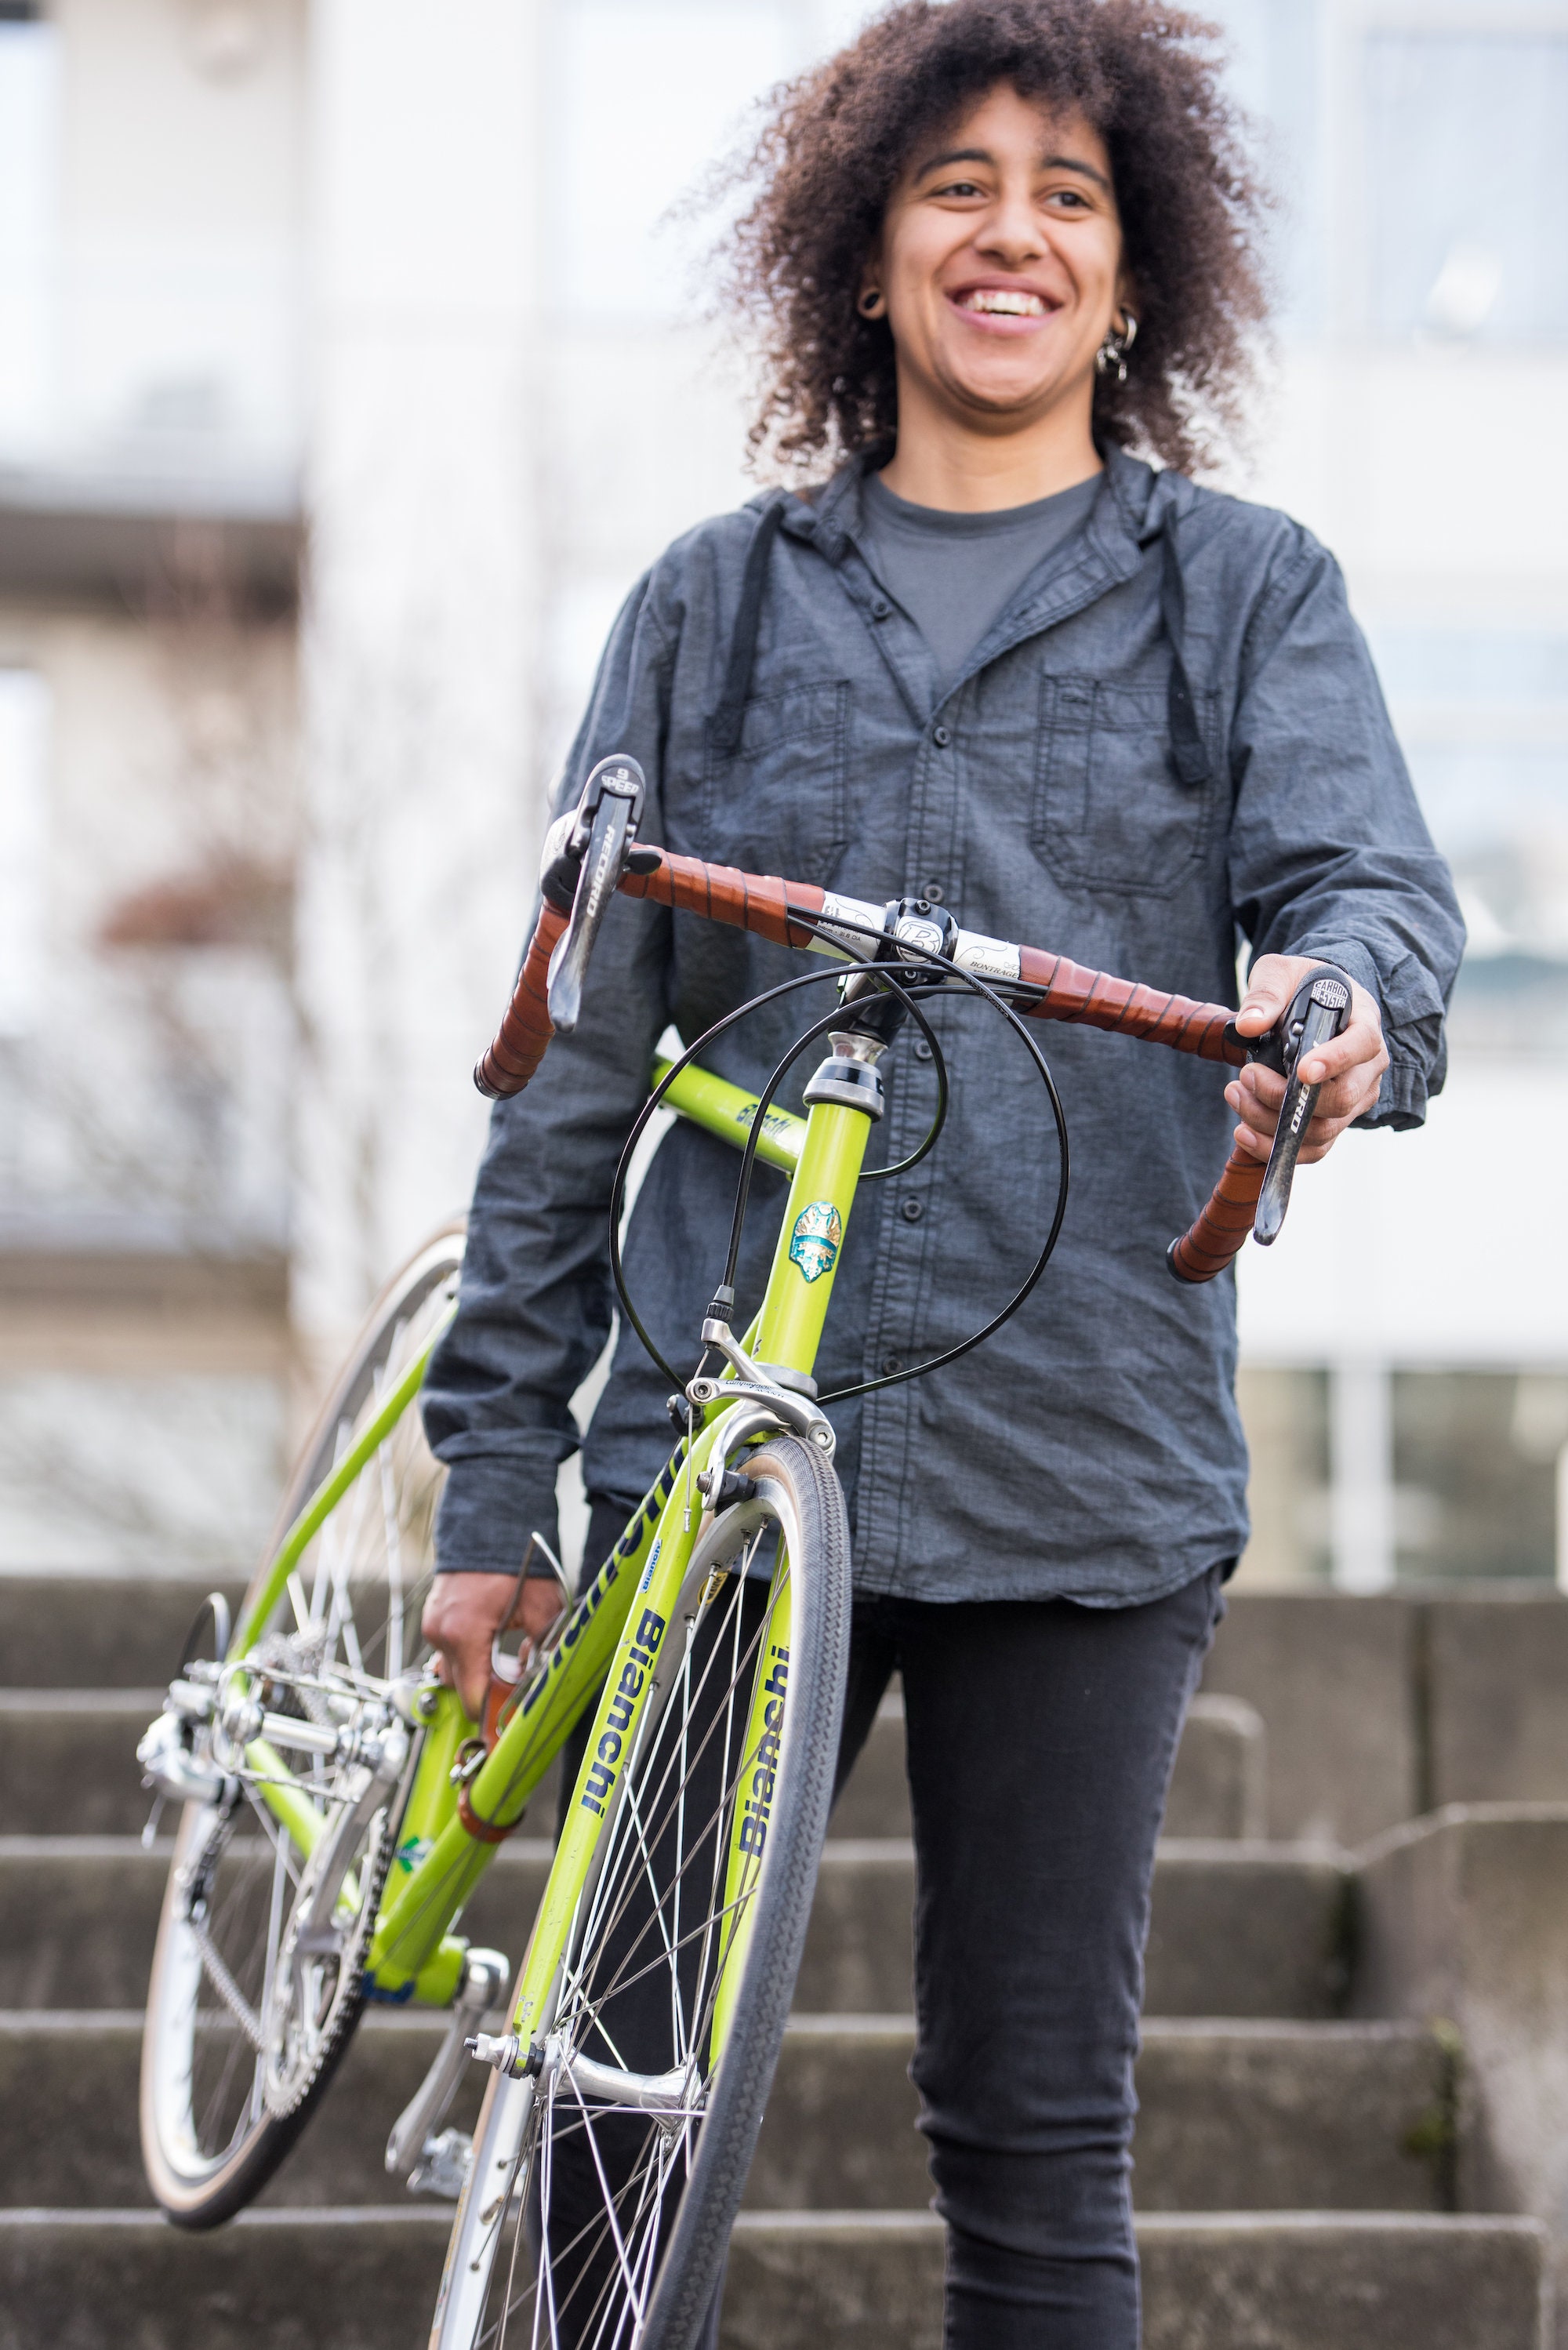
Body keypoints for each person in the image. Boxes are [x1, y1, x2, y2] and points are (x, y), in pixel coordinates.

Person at [419, 2, 1464, 2341]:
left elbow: (1367, 894)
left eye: (1067, 197)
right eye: (958, 189)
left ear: (1133, 268)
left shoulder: (1249, 594)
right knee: (609, 2107)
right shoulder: (710, 603)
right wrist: (491, 1487)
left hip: (1082, 1475)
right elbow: (576, 1071)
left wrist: (1343, 1017)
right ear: (868, 254)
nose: (1013, 235)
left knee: (1034, 2139)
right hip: (709, 1445)